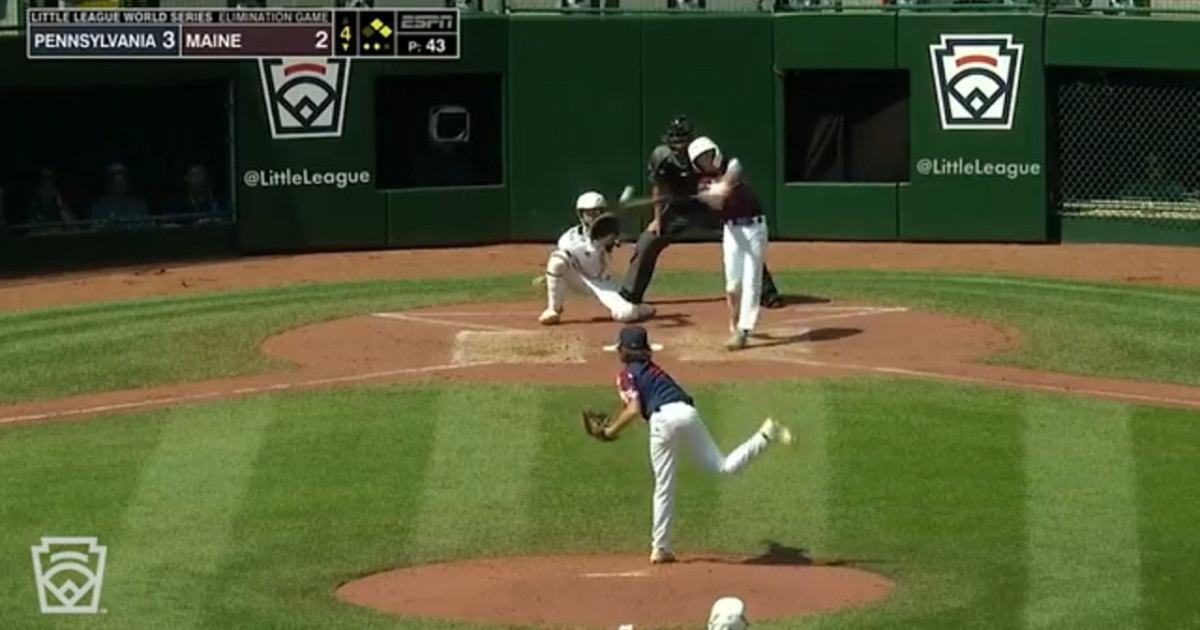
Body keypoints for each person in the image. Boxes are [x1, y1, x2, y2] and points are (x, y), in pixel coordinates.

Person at [600, 325, 793, 564]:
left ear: (624, 350)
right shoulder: (655, 371)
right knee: (723, 466)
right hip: (687, 413)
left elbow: (634, 409)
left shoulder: (626, 375)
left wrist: (610, 431)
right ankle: (766, 434)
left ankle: (660, 548)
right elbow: (642, 405)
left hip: (662, 420)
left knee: (664, 486)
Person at [619, 115, 783, 309]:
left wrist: (714, 192)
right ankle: (630, 295)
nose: (679, 149)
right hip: (677, 210)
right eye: (675, 145)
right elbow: (659, 187)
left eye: (683, 144)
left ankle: (766, 293)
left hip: (710, 209)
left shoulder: (705, 154)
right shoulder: (661, 156)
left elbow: (730, 181)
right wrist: (657, 220)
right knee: (647, 242)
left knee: (741, 240)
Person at [688, 135, 768, 351]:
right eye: (701, 160)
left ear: (715, 152)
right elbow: (717, 203)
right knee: (732, 284)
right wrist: (708, 196)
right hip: (731, 231)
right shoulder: (703, 183)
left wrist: (721, 187)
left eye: (708, 156)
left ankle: (744, 330)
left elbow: (733, 174)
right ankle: (734, 324)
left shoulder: (732, 164)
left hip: (753, 228)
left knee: (751, 280)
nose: (706, 161)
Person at [539, 191, 656, 325]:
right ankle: (553, 309)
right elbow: (563, 263)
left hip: (601, 282)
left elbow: (607, 241)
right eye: (588, 213)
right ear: (581, 215)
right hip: (577, 279)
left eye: (596, 212)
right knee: (557, 261)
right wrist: (551, 276)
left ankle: (640, 309)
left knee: (625, 314)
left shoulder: (607, 235)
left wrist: (611, 238)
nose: (592, 216)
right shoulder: (568, 238)